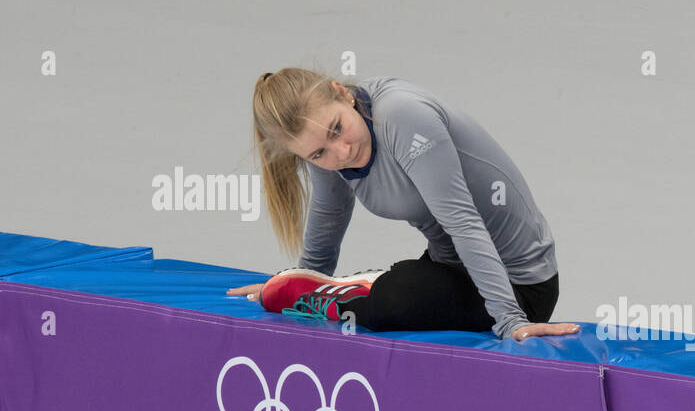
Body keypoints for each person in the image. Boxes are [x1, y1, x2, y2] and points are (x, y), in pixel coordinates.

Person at [227, 68, 579, 342]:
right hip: (449, 269)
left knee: (395, 299)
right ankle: (356, 290)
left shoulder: (401, 116)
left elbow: (463, 223)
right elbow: (329, 213)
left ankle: (359, 293)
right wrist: (302, 286)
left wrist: (511, 319)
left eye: (337, 130)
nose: (342, 152)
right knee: (403, 287)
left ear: (342, 93)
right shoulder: (324, 145)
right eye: (318, 153)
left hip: (520, 286)